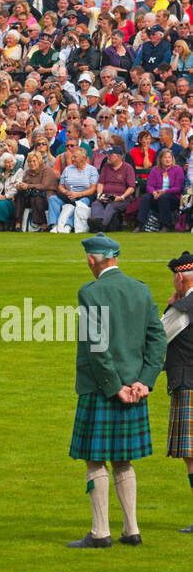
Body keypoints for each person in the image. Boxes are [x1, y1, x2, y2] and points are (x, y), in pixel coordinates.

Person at [67, 234, 166, 548]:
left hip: (101, 389)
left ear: (93, 259)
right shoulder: (141, 289)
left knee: (96, 460)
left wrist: (114, 388)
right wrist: (144, 382)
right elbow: (158, 340)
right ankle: (132, 531)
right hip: (136, 388)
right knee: (123, 460)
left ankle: (100, 534)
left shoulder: (90, 292)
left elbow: (97, 347)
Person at [160, 252, 193, 532]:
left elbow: (159, 339)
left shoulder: (183, 308)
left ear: (179, 277)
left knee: (192, 456)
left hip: (189, 383)